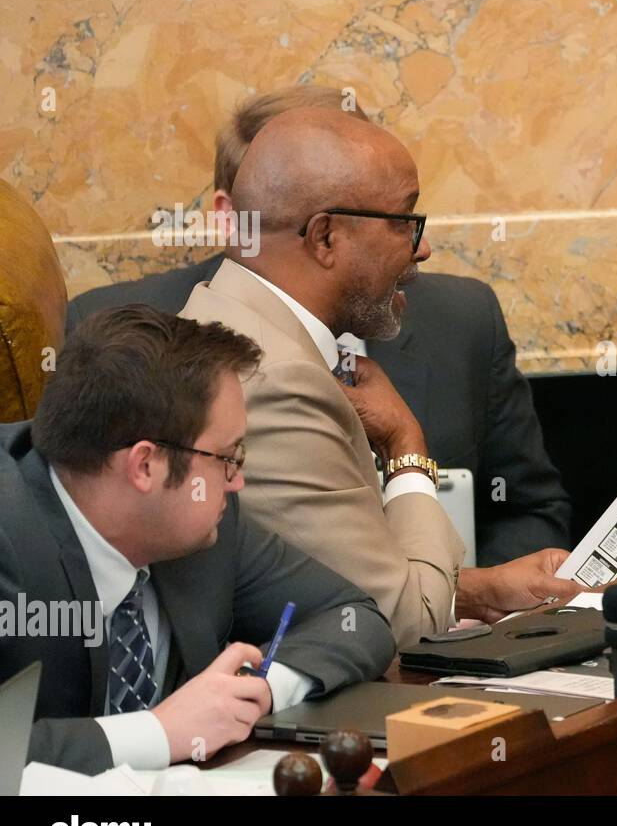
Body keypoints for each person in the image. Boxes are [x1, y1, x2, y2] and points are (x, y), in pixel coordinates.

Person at [66, 85, 571, 564]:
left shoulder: (464, 320)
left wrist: (485, 623)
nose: (420, 246)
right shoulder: (129, 338)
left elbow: (527, 509)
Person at [177, 107, 578, 649]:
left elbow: (337, 577)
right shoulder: (274, 381)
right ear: (325, 238)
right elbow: (400, 626)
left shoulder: (227, 320)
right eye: (404, 221)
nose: (423, 247)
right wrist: (407, 448)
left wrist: (478, 592)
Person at [0, 306, 395, 774]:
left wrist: (255, 690)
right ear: (145, 466)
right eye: (227, 456)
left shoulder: (206, 529)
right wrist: (159, 732)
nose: (237, 481)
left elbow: (353, 617)